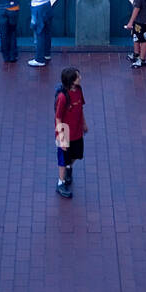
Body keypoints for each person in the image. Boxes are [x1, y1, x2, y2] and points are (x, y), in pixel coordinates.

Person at [53, 67, 88, 199]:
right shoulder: (63, 97)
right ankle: (61, 182)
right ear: (72, 81)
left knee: (76, 154)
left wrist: (84, 123)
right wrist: (61, 137)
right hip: (65, 132)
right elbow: (58, 117)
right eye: (78, 77)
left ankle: (69, 167)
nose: (81, 78)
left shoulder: (79, 90)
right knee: (62, 159)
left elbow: (80, 108)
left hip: (77, 131)